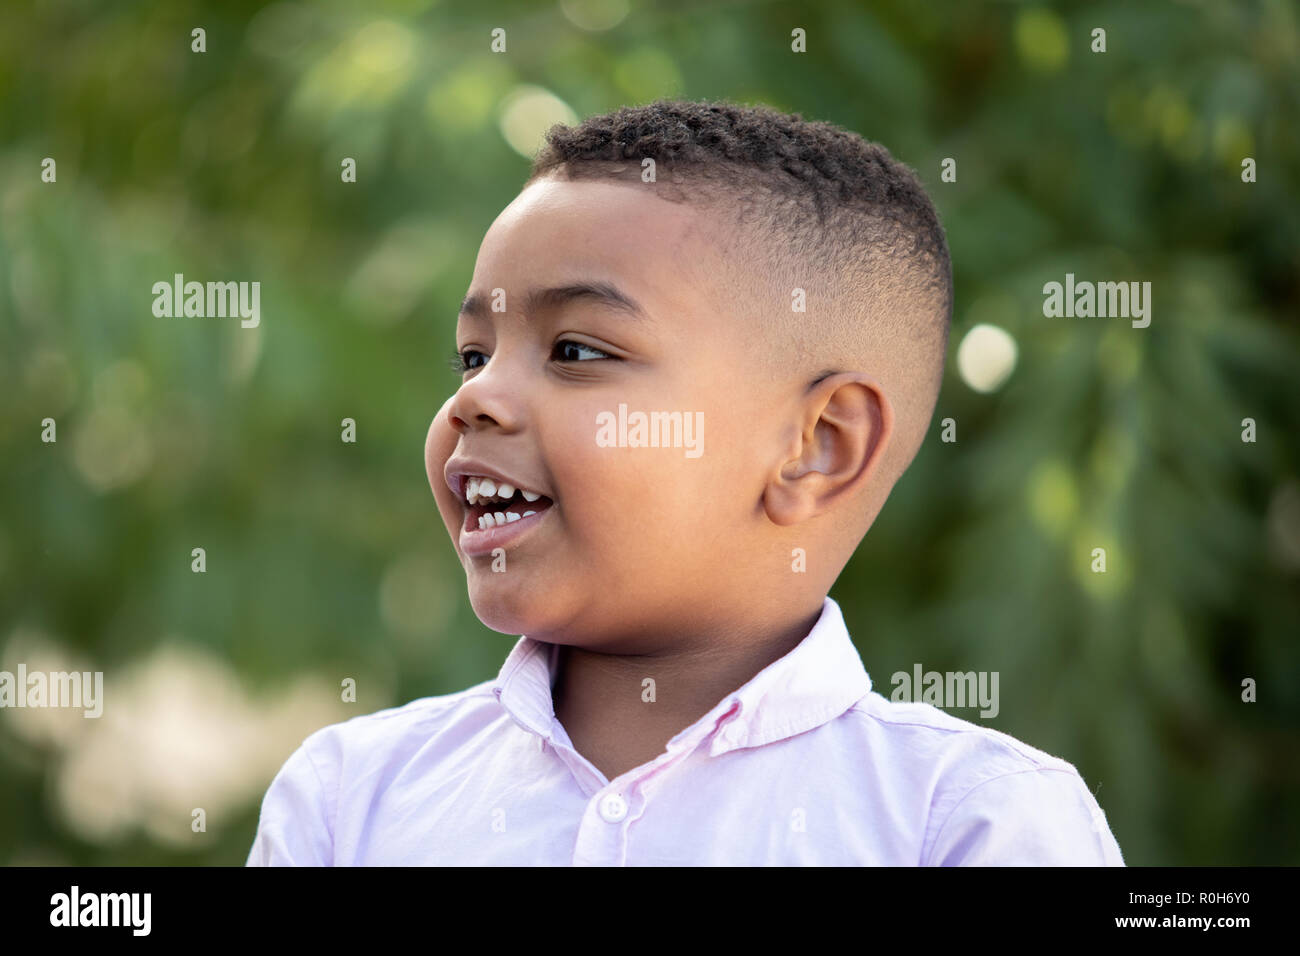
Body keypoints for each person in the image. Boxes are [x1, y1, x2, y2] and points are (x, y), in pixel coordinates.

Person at [247, 98, 1124, 865]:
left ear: (818, 446)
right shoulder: (348, 801)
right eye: (472, 355)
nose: (476, 399)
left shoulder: (968, 821)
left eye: (577, 351)